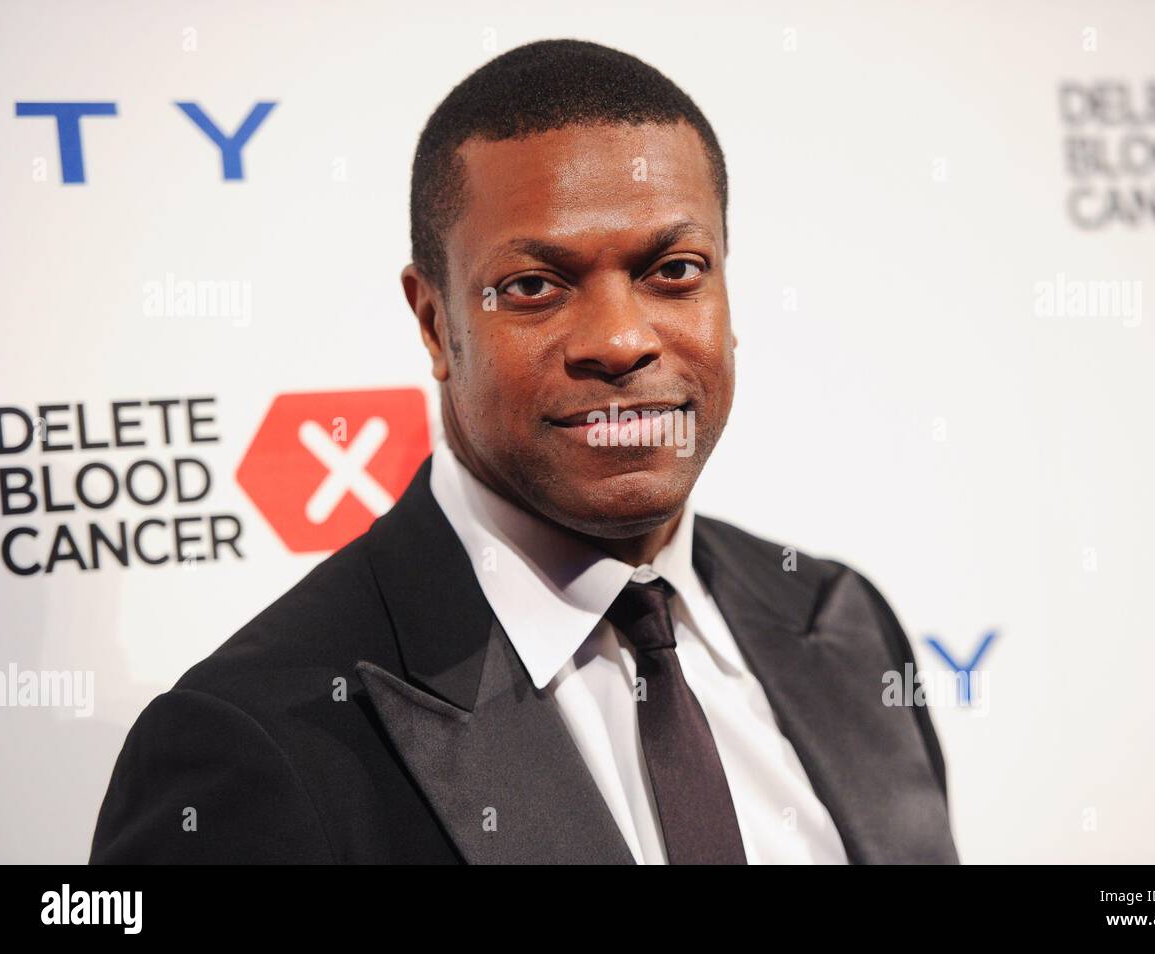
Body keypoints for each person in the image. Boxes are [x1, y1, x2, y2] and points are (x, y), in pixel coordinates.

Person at [90, 38, 958, 864]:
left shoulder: (842, 624)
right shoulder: (254, 739)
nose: (620, 340)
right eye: (535, 286)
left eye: (675, 271)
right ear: (435, 323)